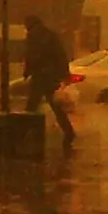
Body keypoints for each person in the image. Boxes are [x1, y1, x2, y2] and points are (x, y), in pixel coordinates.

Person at [23, 14, 75, 145]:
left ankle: (24, 132)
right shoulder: (51, 35)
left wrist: (27, 71)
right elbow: (61, 55)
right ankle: (69, 131)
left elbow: (31, 55)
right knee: (55, 107)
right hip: (51, 76)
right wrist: (65, 73)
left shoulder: (33, 36)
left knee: (32, 106)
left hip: (40, 76)